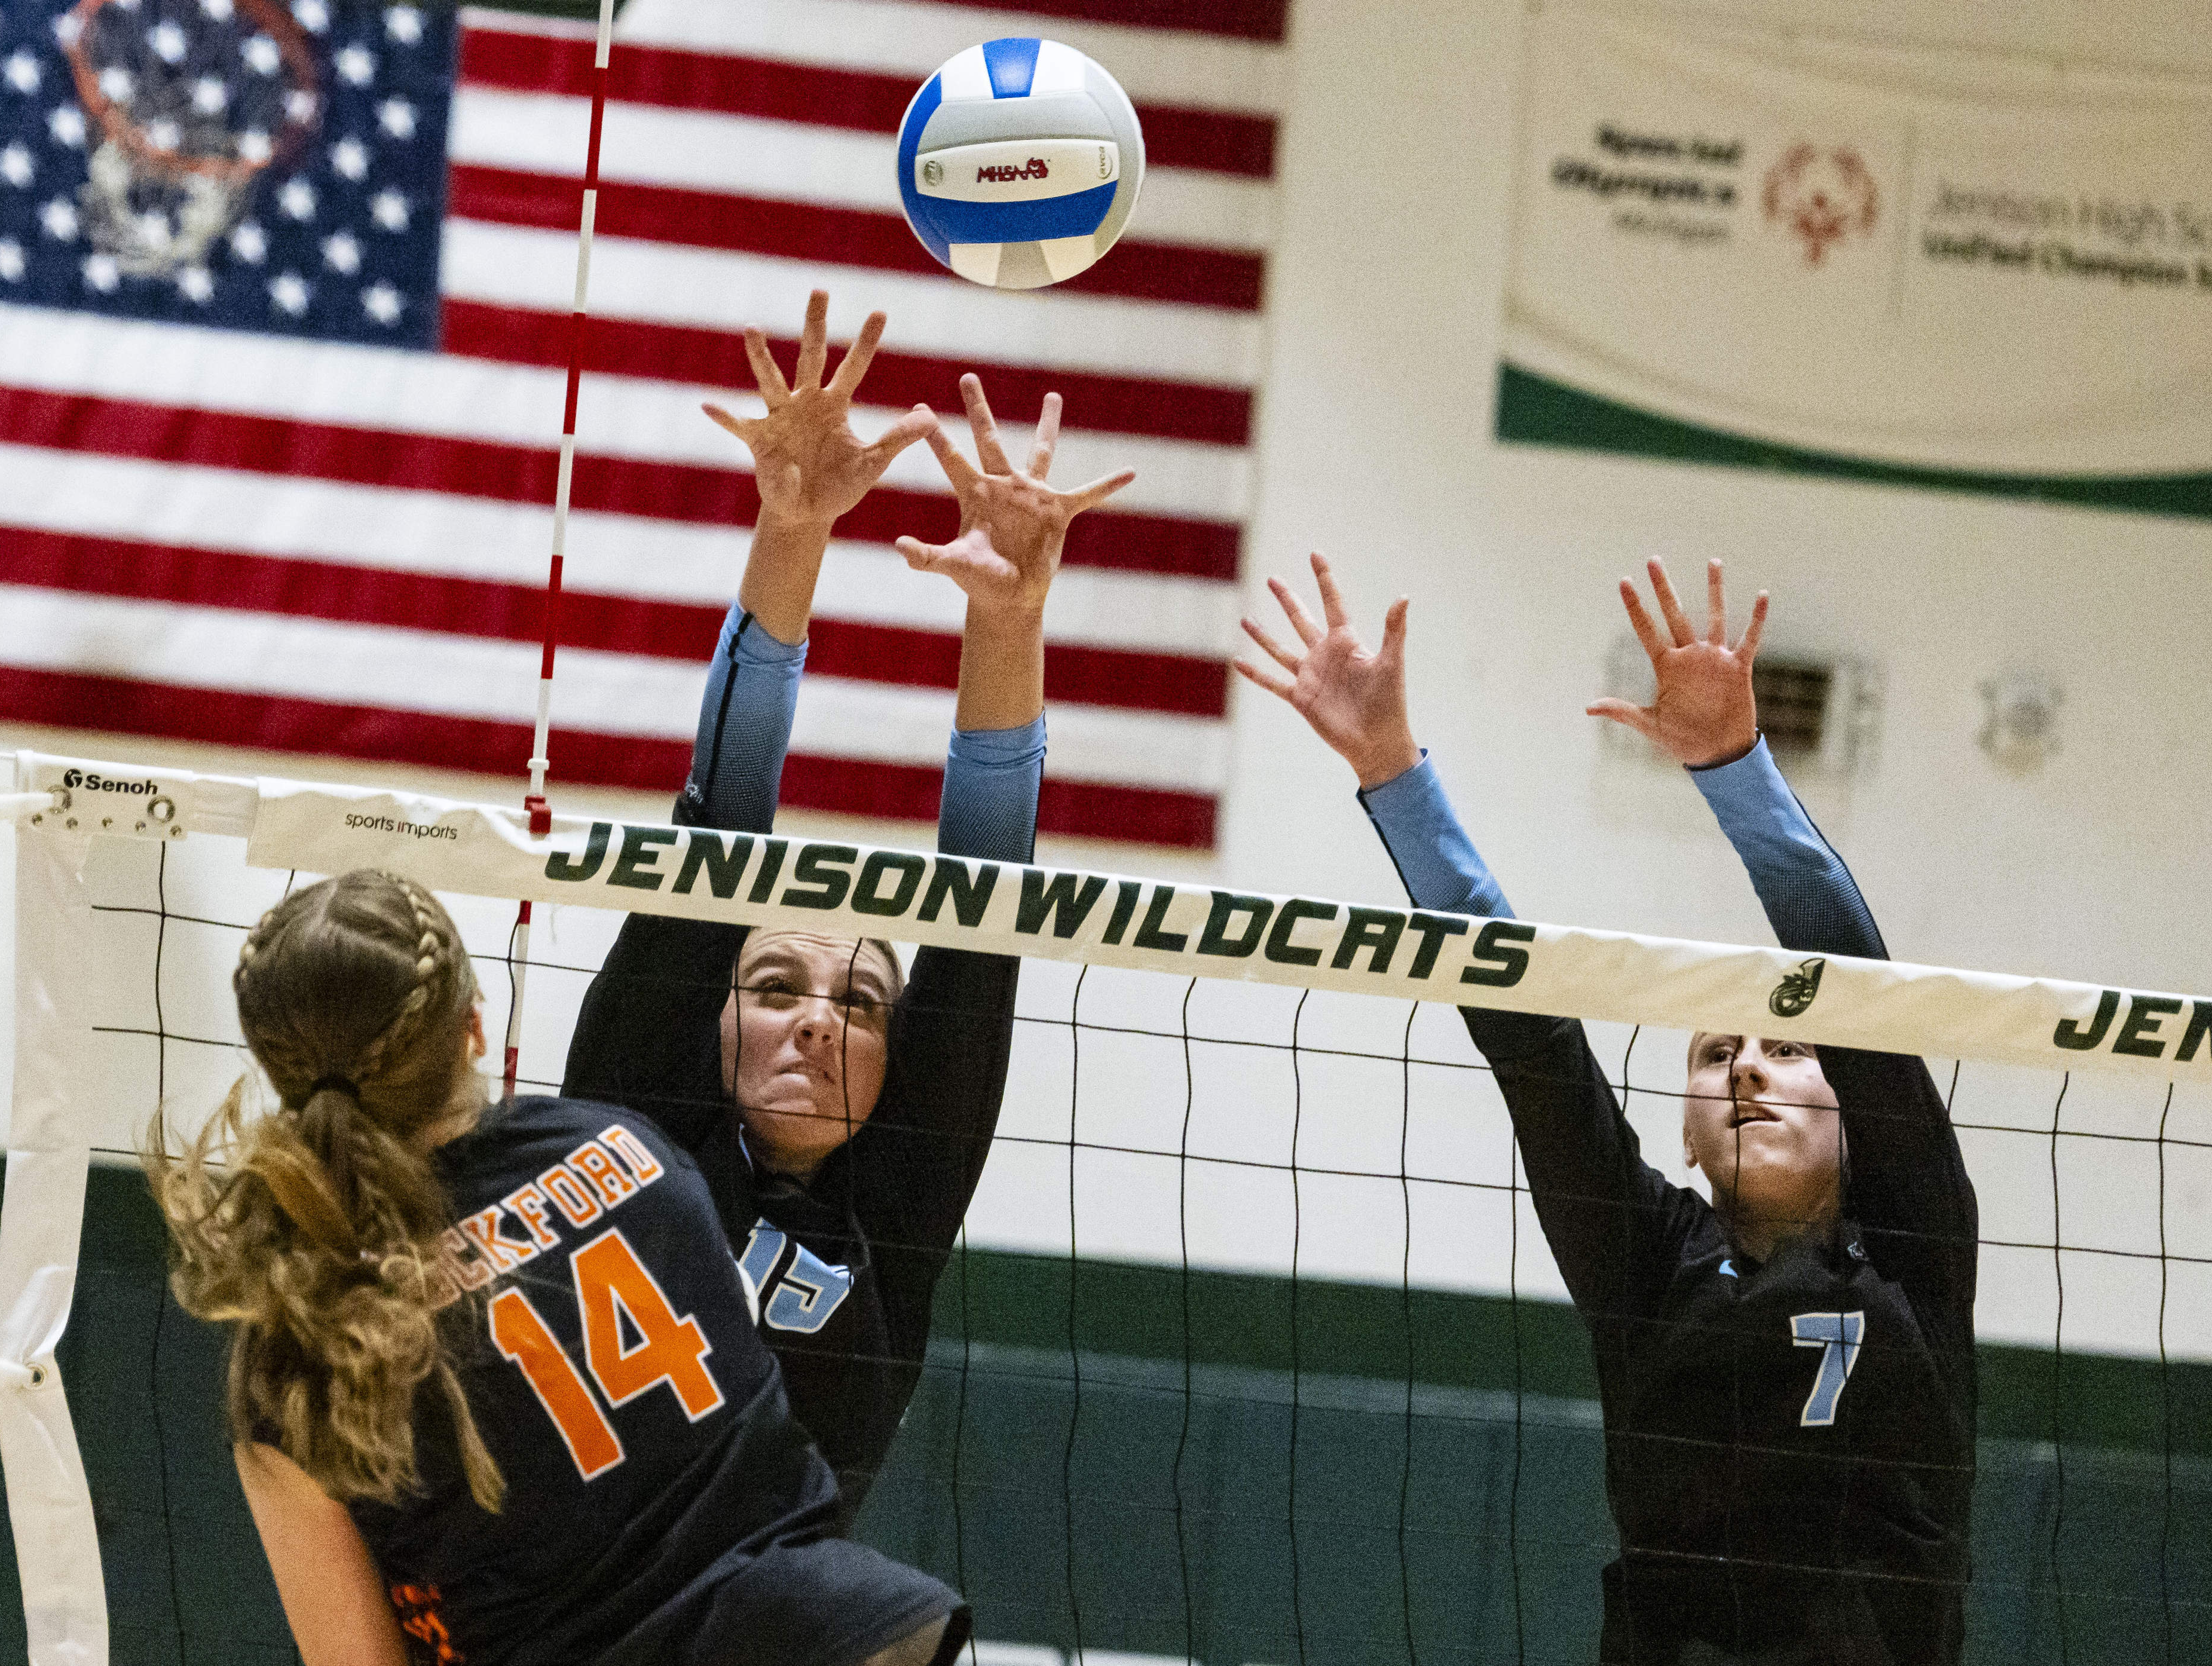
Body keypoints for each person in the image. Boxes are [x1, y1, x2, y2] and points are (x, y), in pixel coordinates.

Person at [1237, 553, 1979, 1665]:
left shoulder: (1920, 1242)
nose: (1748, 1070)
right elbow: (1530, 1044)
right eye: (1717, 1053)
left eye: (1786, 1048)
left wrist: (1737, 767)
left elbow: (1855, 984)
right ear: (1684, 1132)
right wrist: (1392, 770)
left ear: (1856, 1107)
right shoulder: (1649, 1261)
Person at [561, 292, 1134, 1517]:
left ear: (895, 1060)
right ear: (709, 1022)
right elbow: (720, 821)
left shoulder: (896, 1207)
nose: (819, 1021)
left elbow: (983, 911)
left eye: (860, 1001)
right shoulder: (632, 1133)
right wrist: (791, 532)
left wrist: (1008, 620)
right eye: (775, 987)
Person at [148, 869, 966, 1666]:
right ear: (472, 1027)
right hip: (833, 1628)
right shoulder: (631, 1151)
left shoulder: (295, 1353)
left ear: (281, 1074)